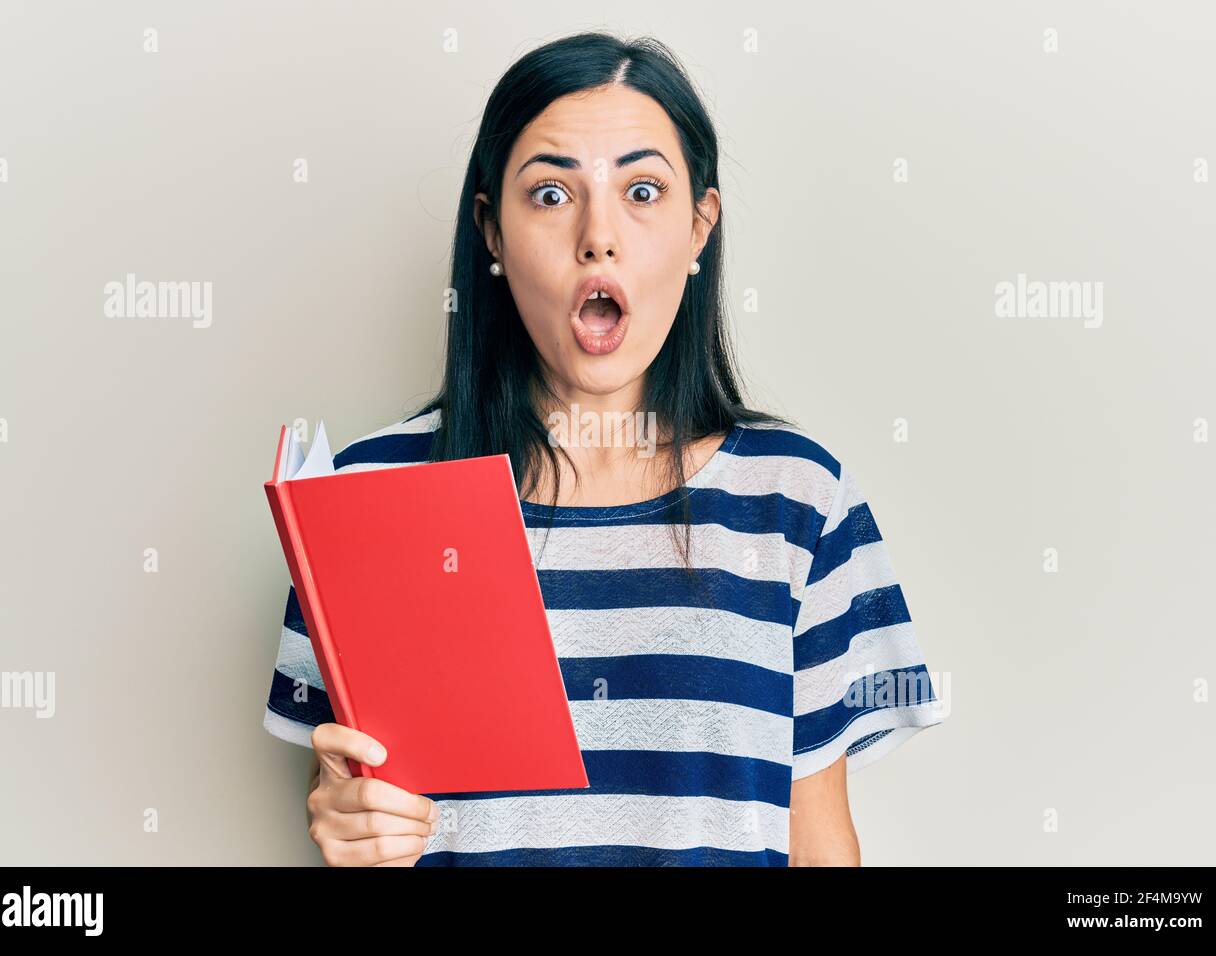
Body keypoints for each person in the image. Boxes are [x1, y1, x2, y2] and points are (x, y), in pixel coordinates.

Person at [262, 31, 946, 866]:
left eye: (644, 191)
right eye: (551, 194)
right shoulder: (364, 495)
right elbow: (360, 810)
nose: (599, 236)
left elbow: (820, 842)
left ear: (700, 228)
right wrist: (350, 825)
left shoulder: (798, 498)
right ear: (491, 232)